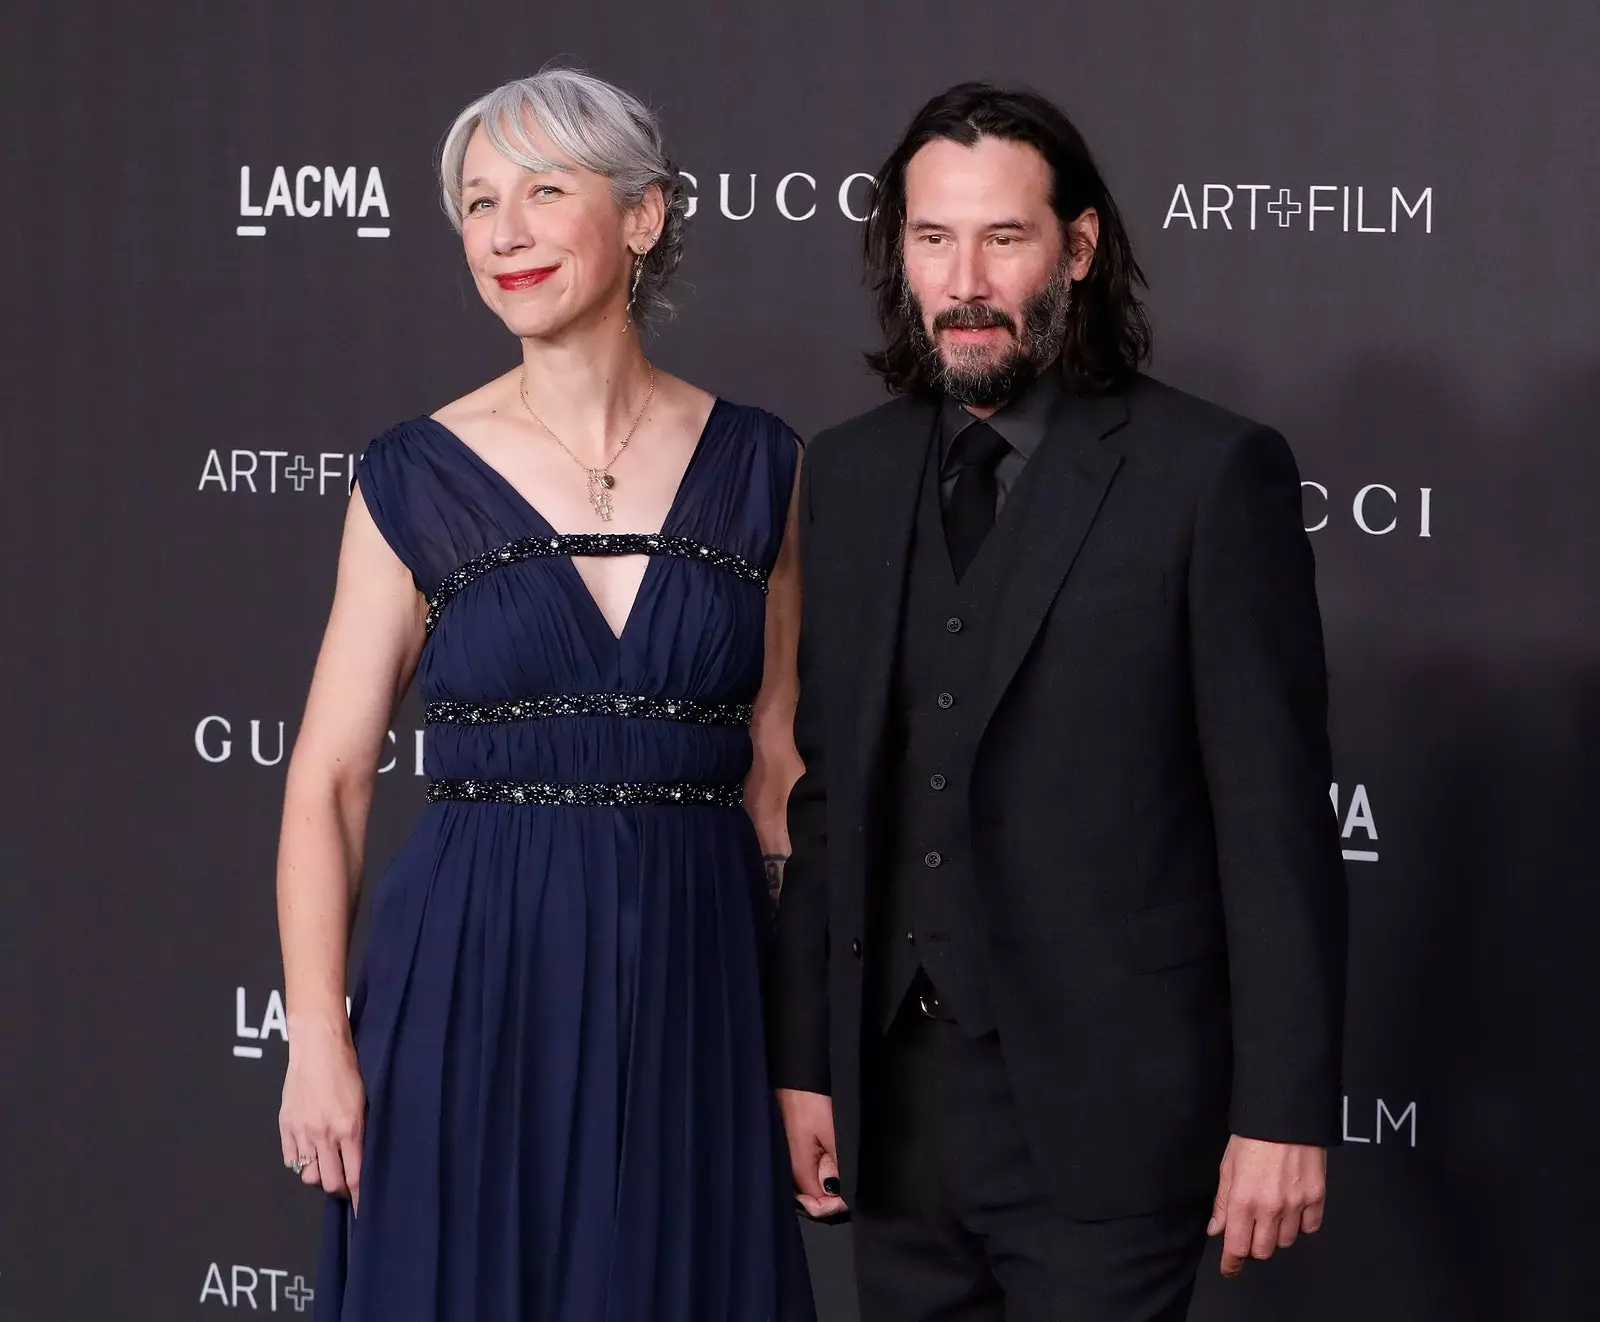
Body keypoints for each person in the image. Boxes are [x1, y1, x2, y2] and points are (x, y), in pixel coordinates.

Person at [770, 82, 1348, 1322]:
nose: (964, 278)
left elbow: (1274, 820)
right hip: (897, 1114)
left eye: (1003, 237)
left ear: (1077, 250)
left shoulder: (1207, 474)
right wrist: (808, 1064)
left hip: (1114, 1115)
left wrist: (1282, 1111)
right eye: (932, 239)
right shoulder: (851, 475)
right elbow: (831, 802)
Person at [274, 68, 815, 1322]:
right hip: (473, 969)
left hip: (697, 973)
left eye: (542, 191)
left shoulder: (763, 464)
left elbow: (778, 767)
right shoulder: (413, 472)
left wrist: (804, 1055)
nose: (504, 232)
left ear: (642, 217)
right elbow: (330, 778)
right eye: (476, 203)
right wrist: (317, 1039)